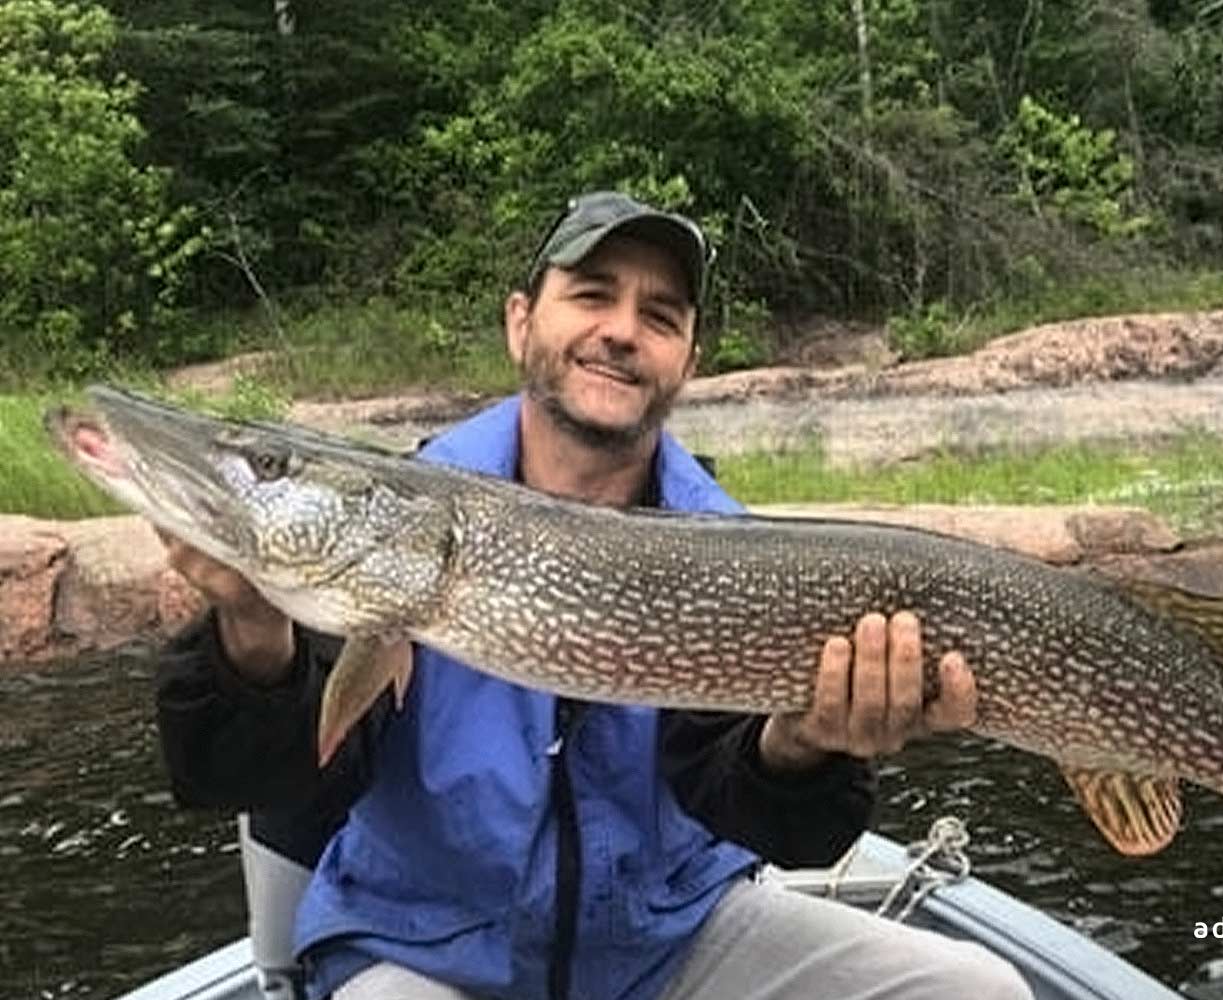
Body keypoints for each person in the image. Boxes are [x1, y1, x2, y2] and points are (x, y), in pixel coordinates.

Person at [154, 191, 1033, 1000]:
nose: (621, 331)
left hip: (667, 943)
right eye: (591, 295)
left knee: (979, 990)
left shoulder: (723, 547)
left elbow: (779, 827)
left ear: (687, 360)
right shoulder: (404, 523)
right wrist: (252, 631)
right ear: (520, 321)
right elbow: (240, 778)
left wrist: (805, 743)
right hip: (429, 949)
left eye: (660, 316)